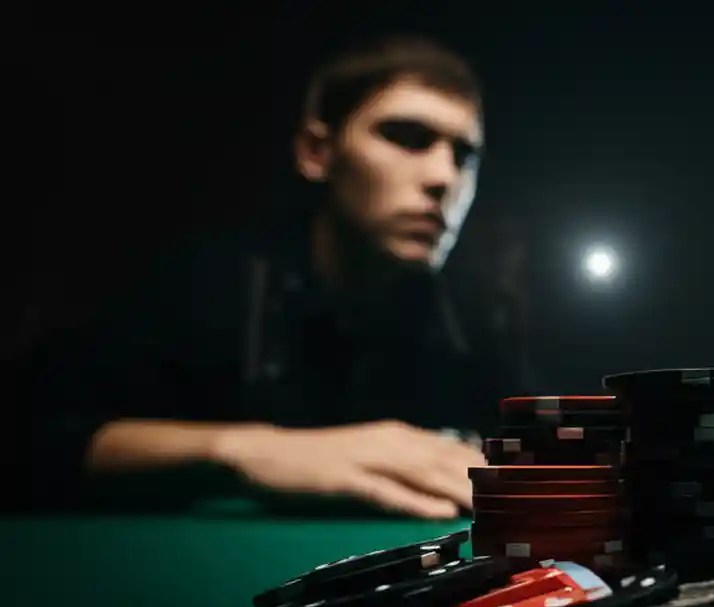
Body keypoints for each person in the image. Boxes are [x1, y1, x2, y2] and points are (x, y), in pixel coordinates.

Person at [23, 35, 527, 518]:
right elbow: (31, 436)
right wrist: (245, 451)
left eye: (464, 155)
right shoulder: (210, 287)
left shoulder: (475, 326)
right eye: (406, 137)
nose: (444, 177)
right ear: (316, 152)